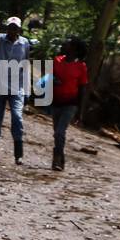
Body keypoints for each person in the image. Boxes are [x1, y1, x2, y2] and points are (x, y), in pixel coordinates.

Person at [0, 16, 31, 163]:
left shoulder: (25, 43)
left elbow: (26, 66)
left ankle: (19, 154)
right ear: (7, 28)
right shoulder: (0, 39)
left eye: (15, 27)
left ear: (19, 29)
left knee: (17, 118)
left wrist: (27, 89)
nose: (12, 30)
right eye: (10, 27)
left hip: (17, 87)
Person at [48, 37, 88, 171]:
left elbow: (82, 89)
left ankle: (57, 157)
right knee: (56, 133)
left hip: (70, 104)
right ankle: (61, 156)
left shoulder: (81, 66)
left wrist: (80, 113)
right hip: (56, 102)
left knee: (60, 132)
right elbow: (48, 76)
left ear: (75, 50)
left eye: (69, 43)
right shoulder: (57, 60)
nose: (65, 44)